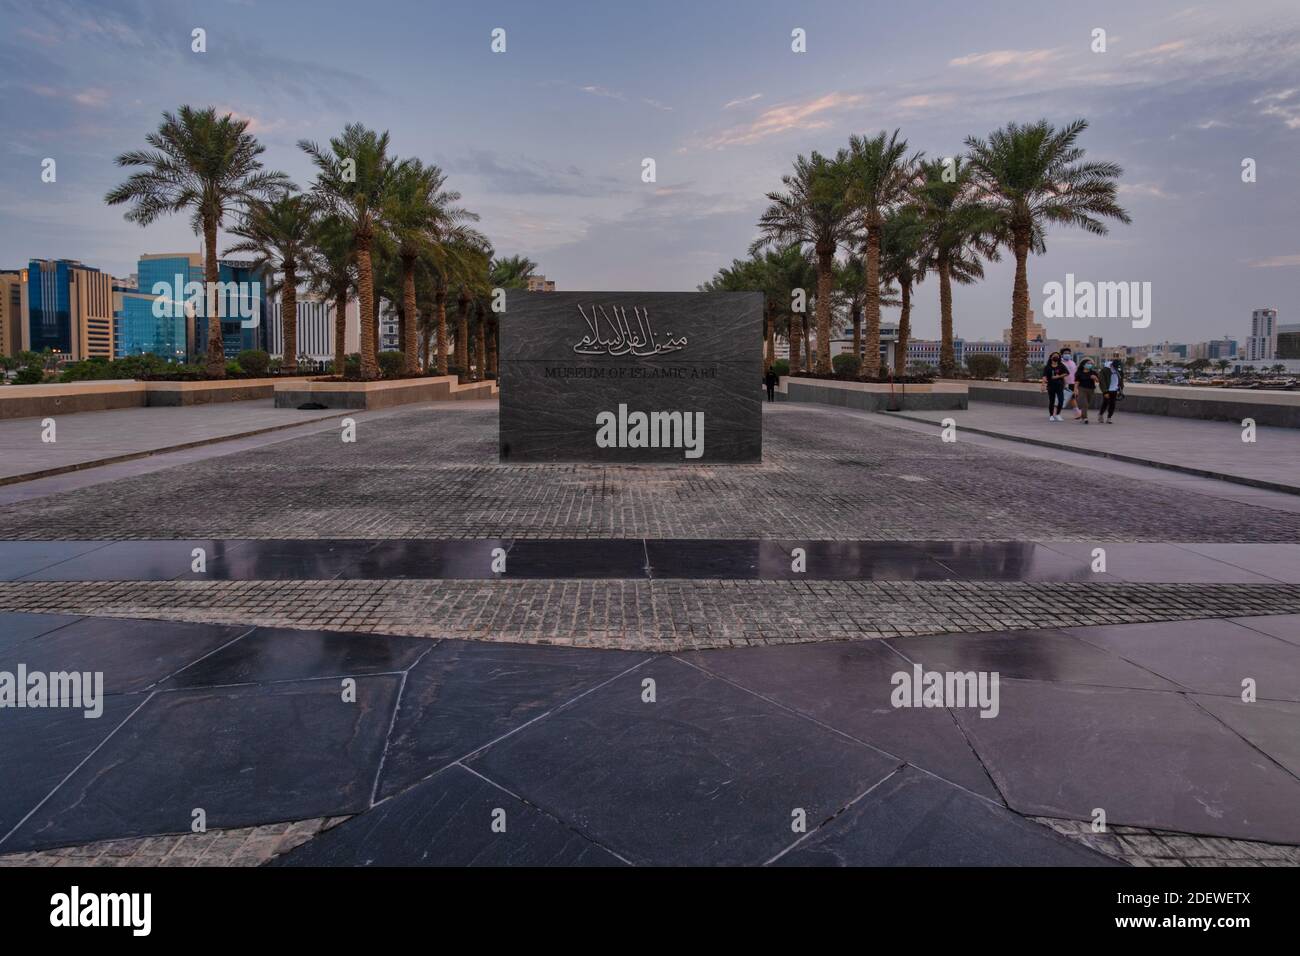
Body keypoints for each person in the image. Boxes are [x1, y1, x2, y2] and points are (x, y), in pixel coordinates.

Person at [1041, 351, 1068, 420]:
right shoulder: (1047, 367)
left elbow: (1067, 373)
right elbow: (1044, 376)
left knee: (1061, 400)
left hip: (1059, 386)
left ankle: (1058, 414)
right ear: (1051, 357)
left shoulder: (1061, 365)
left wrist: (1058, 377)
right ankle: (1051, 415)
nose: (1056, 357)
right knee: (1052, 401)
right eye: (1054, 356)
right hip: (1051, 386)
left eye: (1057, 356)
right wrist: (1043, 385)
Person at [1074, 357, 1100, 423]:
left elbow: (1098, 381)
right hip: (1082, 389)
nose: (1090, 365)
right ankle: (1085, 418)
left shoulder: (1093, 372)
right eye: (1088, 363)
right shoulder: (1079, 373)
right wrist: (1075, 389)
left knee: (1087, 404)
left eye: (1091, 364)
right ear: (1083, 364)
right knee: (1084, 404)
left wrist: (1095, 378)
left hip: (1091, 389)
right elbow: (1077, 382)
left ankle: (1083, 417)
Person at [1098, 359, 1123, 423]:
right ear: (1112, 365)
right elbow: (1102, 381)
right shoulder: (1105, 370)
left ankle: (1109, 418)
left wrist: (1121, 389)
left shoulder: (1118, 370)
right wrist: (1105, 391)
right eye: (1116, 366)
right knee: (1105, 403)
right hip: (1107, 390)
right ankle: (1100, 415)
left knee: (1112, 404)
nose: (1117, 368)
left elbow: (1120, 379)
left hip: (1114, 390)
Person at [1060, 347, 1080, 418]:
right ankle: (1055, 412)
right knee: (1063, 399)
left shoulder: (1072, 362)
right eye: (1065, 353)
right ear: (1062, 354)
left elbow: (1075, 373)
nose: (1067, 354)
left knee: (1072, 398)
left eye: (1068, 353)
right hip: (1063, 383)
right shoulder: (1060, 363)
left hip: (1072, 383)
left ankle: (1077, 413)